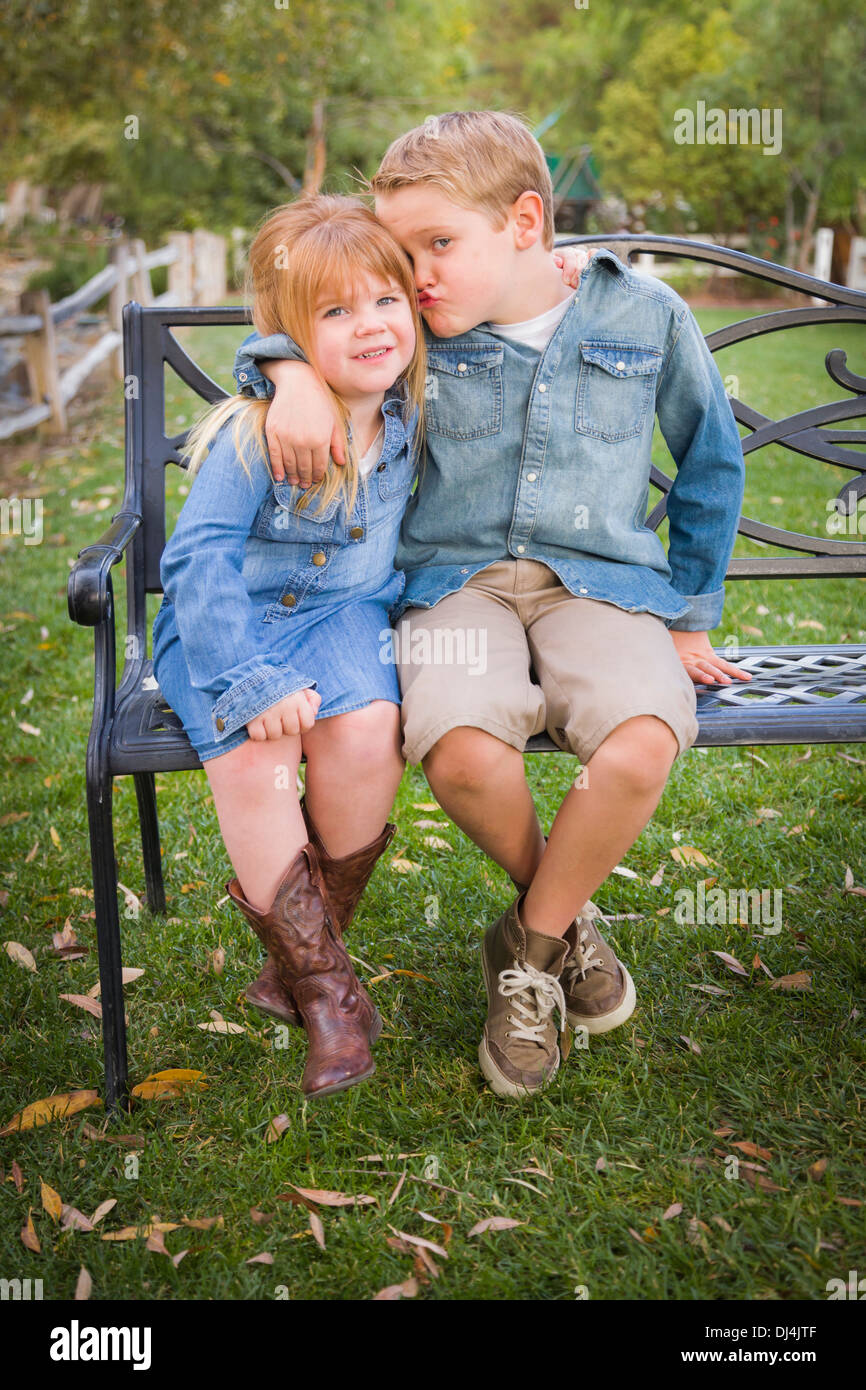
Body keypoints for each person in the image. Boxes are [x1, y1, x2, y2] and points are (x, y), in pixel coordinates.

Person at [231, 110, 753, 1099]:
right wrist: (288, 371)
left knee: (640, 740)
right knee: (464, 751)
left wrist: (689, 612)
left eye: (438, 245)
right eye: (404, 251)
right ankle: (568, 925)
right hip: (455, 583)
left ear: (521, 221)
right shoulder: (417, 320)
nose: (416, 275)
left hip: (597, 584)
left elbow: (709, 462)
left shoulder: (641, 312)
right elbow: (309, 307)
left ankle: (529, 947)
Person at [151, 193, 429, 1098]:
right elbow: (194, 563)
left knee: (368, 728)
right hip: (225, 621)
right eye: (336, 313)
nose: (372, 326)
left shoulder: (411, 412)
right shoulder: (256, 429)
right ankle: (329, 996)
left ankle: (302, 956)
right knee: (256, 756)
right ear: (292, 337)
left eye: (386, 300)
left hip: (344, 615)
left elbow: (505, 302)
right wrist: (248, 678)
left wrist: (566, 271)